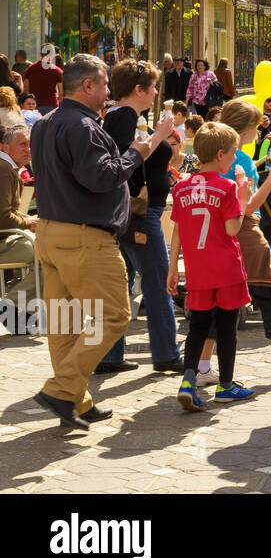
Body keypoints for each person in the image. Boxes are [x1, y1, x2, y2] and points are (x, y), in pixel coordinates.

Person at [29, 54, 174, 428]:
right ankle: (62, 391)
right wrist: (139, 150)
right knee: (115, 315)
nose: (109, 91)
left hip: (51, 233)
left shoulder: (46, 123)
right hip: (83, 237)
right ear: (88, 86)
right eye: (105, 84)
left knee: (65, 321)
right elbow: (103, 177)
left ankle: (74, 399)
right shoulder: (82, 126)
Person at [186, 100, 271, 385]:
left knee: (215, 303)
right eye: (254, 128)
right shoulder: (239, 159)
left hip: (214, 237)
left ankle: (203, 366)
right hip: (244, 230)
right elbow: (246, 207)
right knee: (269, 288)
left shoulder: (211, 156)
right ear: (243, 130)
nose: (257, 134)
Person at [98, 60, 183, 375]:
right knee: (158, 283)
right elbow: (129, 160)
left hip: (134, 214)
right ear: (139, 90)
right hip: (139, 214)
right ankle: (165, 353)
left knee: (120, 284)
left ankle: (109, 355)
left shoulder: (126, 117)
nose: (156, 92)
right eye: (153, 87)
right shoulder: (125, 118)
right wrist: (160, 135)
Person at [167, 122, 256, 411]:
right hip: (226, 268)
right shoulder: (227, 186)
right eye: (233, 152)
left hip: (197, 269)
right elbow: (232, 229)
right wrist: (243, 199)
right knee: (228, 328)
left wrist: (172, 268)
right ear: (220, 154)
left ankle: (188, 381)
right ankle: (226, 386)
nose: (235, 157)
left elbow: (178, 230)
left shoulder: (181, 187)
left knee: (198, 327)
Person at [0, 126, 38, 314]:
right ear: (5, 147)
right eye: (22, 144)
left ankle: (20, 310)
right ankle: (12, 306)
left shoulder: (8, 168)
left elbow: (9, 212)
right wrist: (29, 222)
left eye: (30, 145)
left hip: (6, 237)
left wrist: (31, 219)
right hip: (2, 240)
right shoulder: (4, 169)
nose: (28, 149)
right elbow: (3, 217)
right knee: (48, 254)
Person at [27, 43, 62, 110]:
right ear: (53, 55)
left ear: (40, 54)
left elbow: (26, 89)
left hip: (33, 107)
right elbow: (62, 93)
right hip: (51, 106)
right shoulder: (57, 71)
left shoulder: (30, 69)